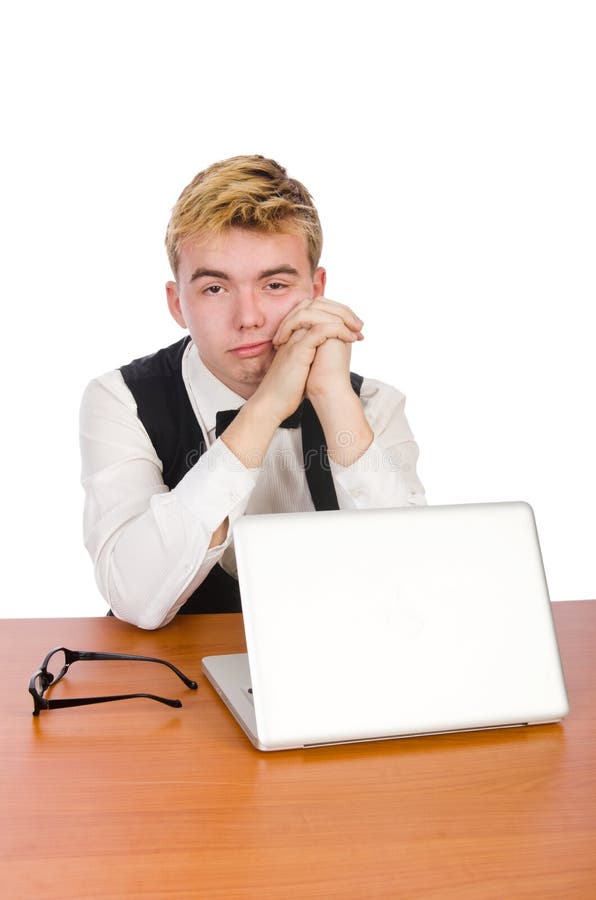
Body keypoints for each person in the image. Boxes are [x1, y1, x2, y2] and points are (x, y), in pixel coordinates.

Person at [80, 155, 426, 629]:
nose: (250, 318)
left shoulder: (371, 406)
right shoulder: (122, 399)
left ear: (316, 288)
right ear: (177, 303)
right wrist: (264, 409)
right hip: (176, 683)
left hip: (340, 669)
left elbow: (418, 584)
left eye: (275, 284)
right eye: (216, 289)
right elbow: (136, 600)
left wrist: (332, 399)